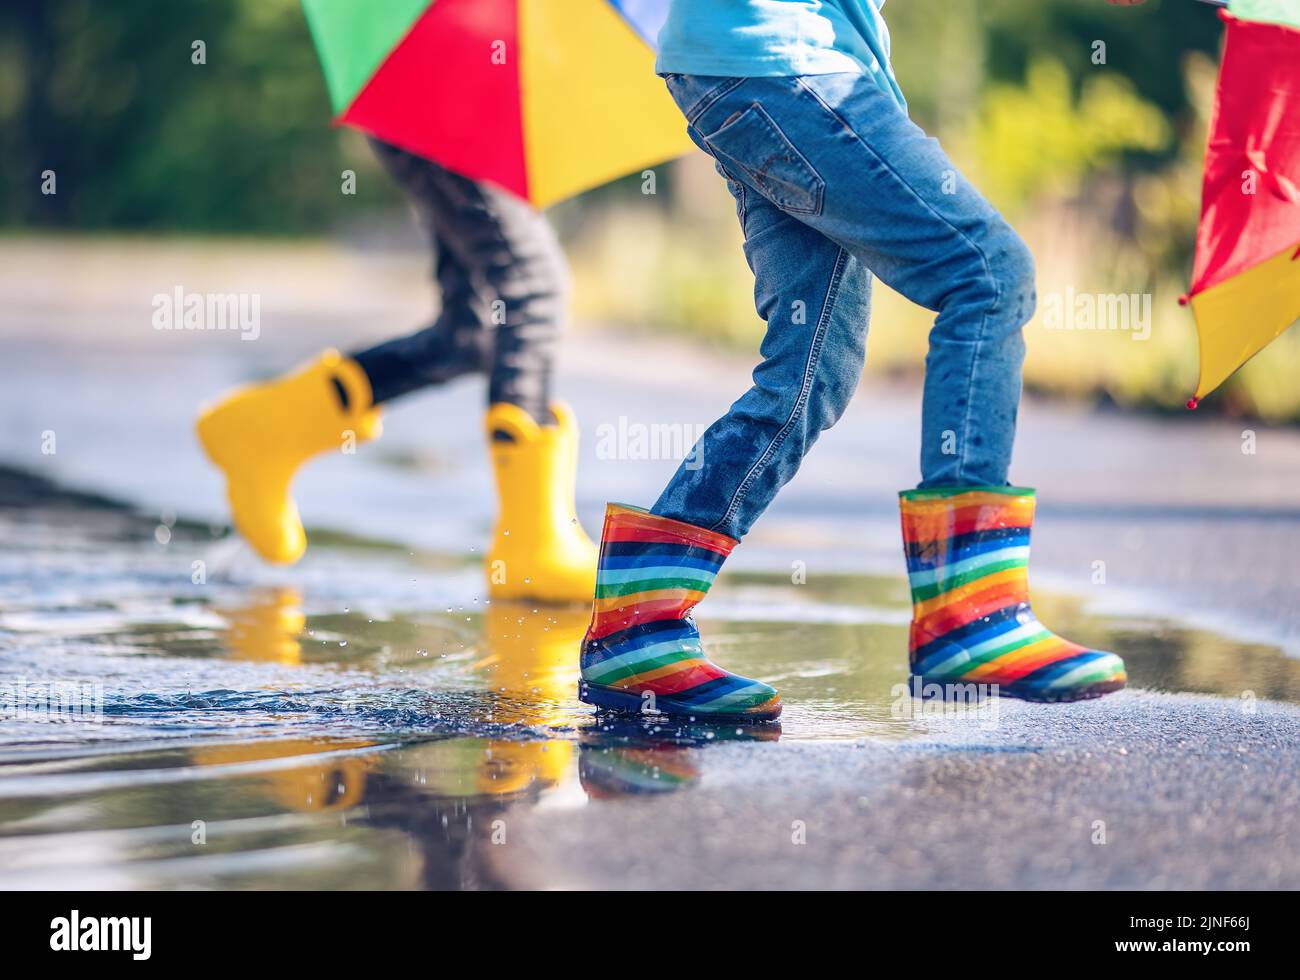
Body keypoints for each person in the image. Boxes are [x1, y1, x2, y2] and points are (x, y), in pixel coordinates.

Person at [578, 0, 1141, 722]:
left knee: (810, 376)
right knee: (988, 275)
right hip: (786, 62)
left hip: (736, 67)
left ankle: (637, 627)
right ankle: (970, 615)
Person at [196, 139, 596, 603]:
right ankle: (533, 544)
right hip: (452, 99)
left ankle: (264, 428)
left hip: (460, 105)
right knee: (532, 286)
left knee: (474, 329)